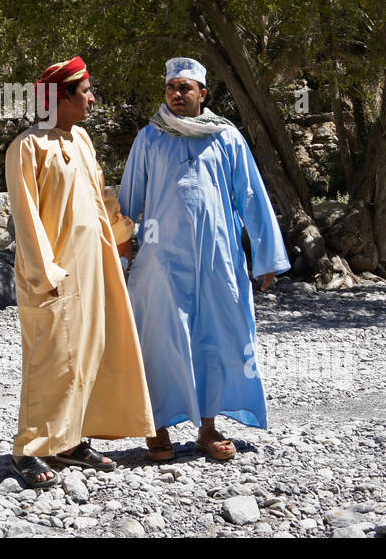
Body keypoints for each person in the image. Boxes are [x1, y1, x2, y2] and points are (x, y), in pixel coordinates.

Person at [118, 57, 290, 462]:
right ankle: (155, 429)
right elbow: (129, 201)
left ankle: (207, 429)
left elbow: (251, 197)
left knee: (216, 339)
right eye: (171, 88)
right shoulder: (149, 138)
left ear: (203, 94)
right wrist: (119, 257)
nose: (177, 95)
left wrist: (265, 257)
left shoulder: (226, 138)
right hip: (161, 262)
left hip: (218, 259)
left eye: (185, 88)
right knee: (160, 339)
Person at [5, 57, 156, 488]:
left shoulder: (83, 139)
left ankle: (70, 441)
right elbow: (27, 217)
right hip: (54, 274)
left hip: (97, 267)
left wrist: (123, 236)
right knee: (53, 359)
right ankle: (29, 450)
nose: (92, 98)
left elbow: (100, 197)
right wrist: (44, 273)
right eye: (85, 91)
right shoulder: (27, 147)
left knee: (90, 354)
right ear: (62, 97)